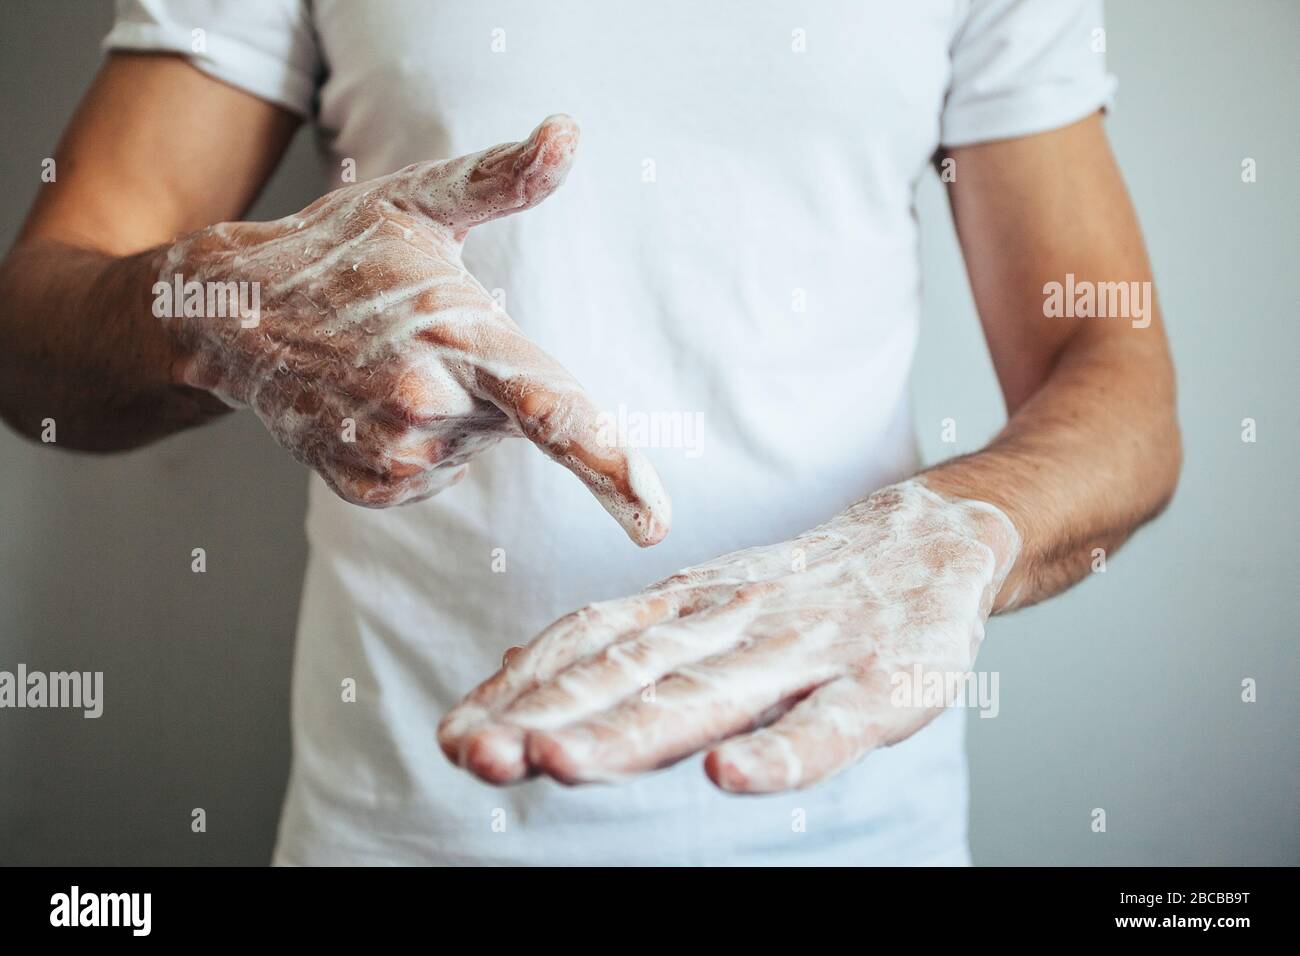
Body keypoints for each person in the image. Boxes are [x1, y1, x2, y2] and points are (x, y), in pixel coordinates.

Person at [0, 0, 1180, 865]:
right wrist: (236, 308)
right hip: (412, 824)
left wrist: (955, 531)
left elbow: (1113, 367)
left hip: (852, 819)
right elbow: (32, 332)